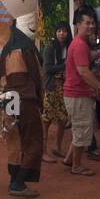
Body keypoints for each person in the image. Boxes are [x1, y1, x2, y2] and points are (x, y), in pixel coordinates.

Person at [0, 14, 44, 198]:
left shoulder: (6, 50)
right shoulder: (26, 49)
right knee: (33, 140)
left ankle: (14, 181)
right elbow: (36, 78)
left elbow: (3, 79)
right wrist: (40, 100)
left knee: (14, 140)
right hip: (25, 100)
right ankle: (18, 182)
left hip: (10, 99)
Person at [62, 12, 100, 176]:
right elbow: (83, 71)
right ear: (78, 24)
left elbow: (87, 61)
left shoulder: (79, 44)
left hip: (76, 93)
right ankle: (76, 165)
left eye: (92, 23)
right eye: (87, 23)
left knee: (79, 128)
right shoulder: (80, 45)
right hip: (77, 94)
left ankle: (69, 159)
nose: (91, 26)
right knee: (81, 129)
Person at [41, 21, 71, 162]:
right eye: (59, 31)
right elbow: (47, 68)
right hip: (52, 86)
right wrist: (64, 66)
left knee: (63, 118)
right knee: (46, 119)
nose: (61, 34)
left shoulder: (69, 47)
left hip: (64, 86)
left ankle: (57, 147)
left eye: (64, 31)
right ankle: (43, 150)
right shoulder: (50, 48)